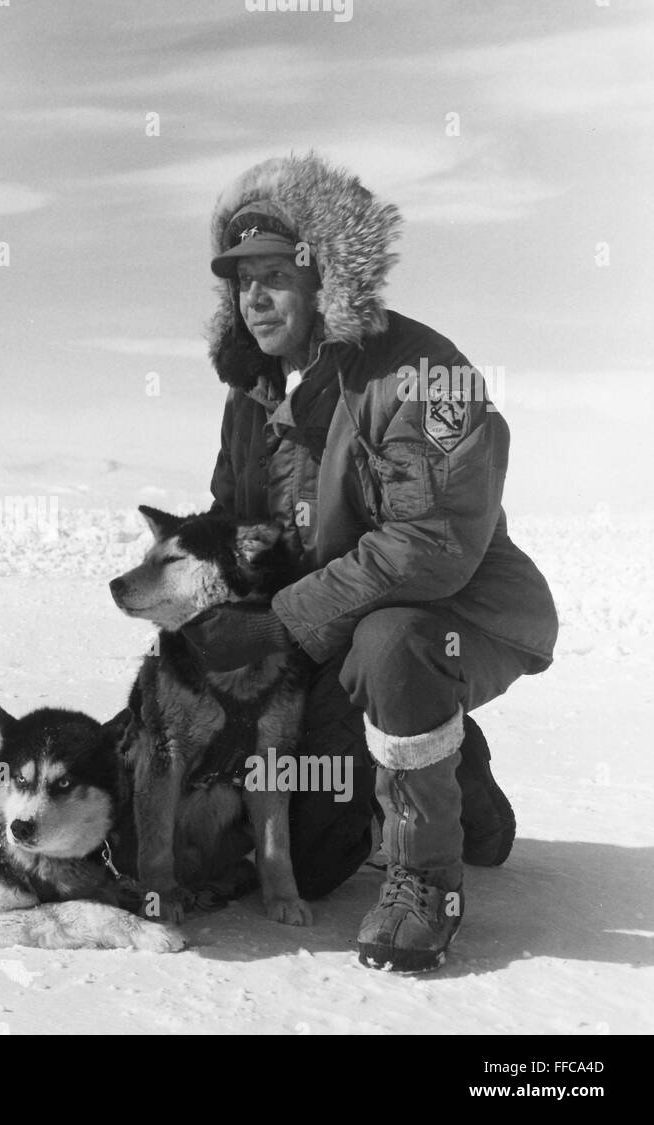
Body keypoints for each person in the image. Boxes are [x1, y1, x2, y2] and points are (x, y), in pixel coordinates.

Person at [182, 152, 557, 972]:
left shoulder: (421, 373)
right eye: (241, 281)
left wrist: (280, 623)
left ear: (326, 276)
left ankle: (425, 881)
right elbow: (231, 526)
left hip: (457, 613)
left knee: (395, 647)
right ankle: (462, 772)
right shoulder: (249, 399)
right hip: (334, 626)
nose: (256, 297)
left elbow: (434, 542)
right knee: (309, 855)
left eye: (276, 274)